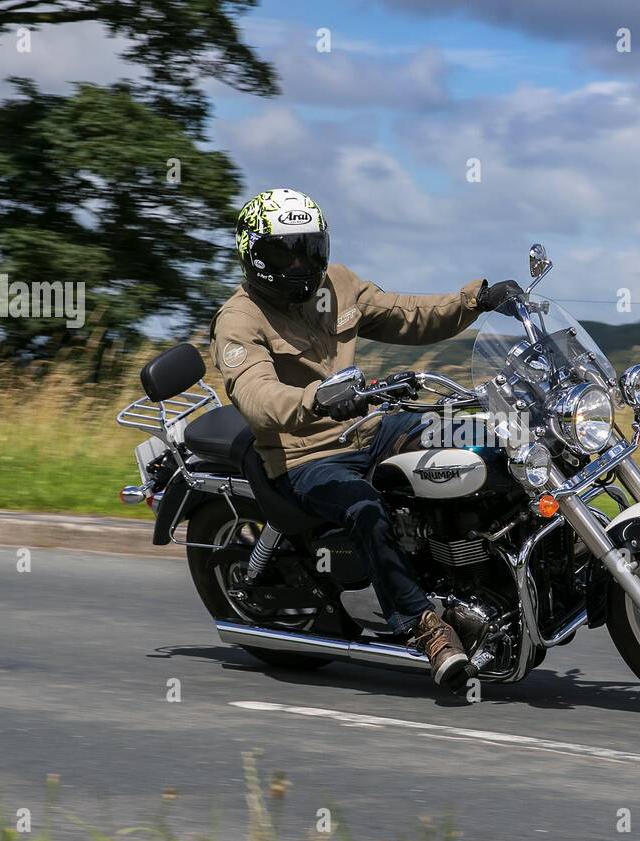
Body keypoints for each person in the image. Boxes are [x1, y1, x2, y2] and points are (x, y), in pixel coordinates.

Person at [209, 188, 522, 692]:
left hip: (370, 429)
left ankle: (493, 566)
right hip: (303, 453)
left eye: (308, 249)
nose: (299, 263)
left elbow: (406, 313)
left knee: (477, 439)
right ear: (253, 254)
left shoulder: (338, 284)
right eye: (284, 251)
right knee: (364, 508)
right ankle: (424, 626)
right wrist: (316, 398)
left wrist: (476, 300)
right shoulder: (239, 320)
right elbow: (256, 395)